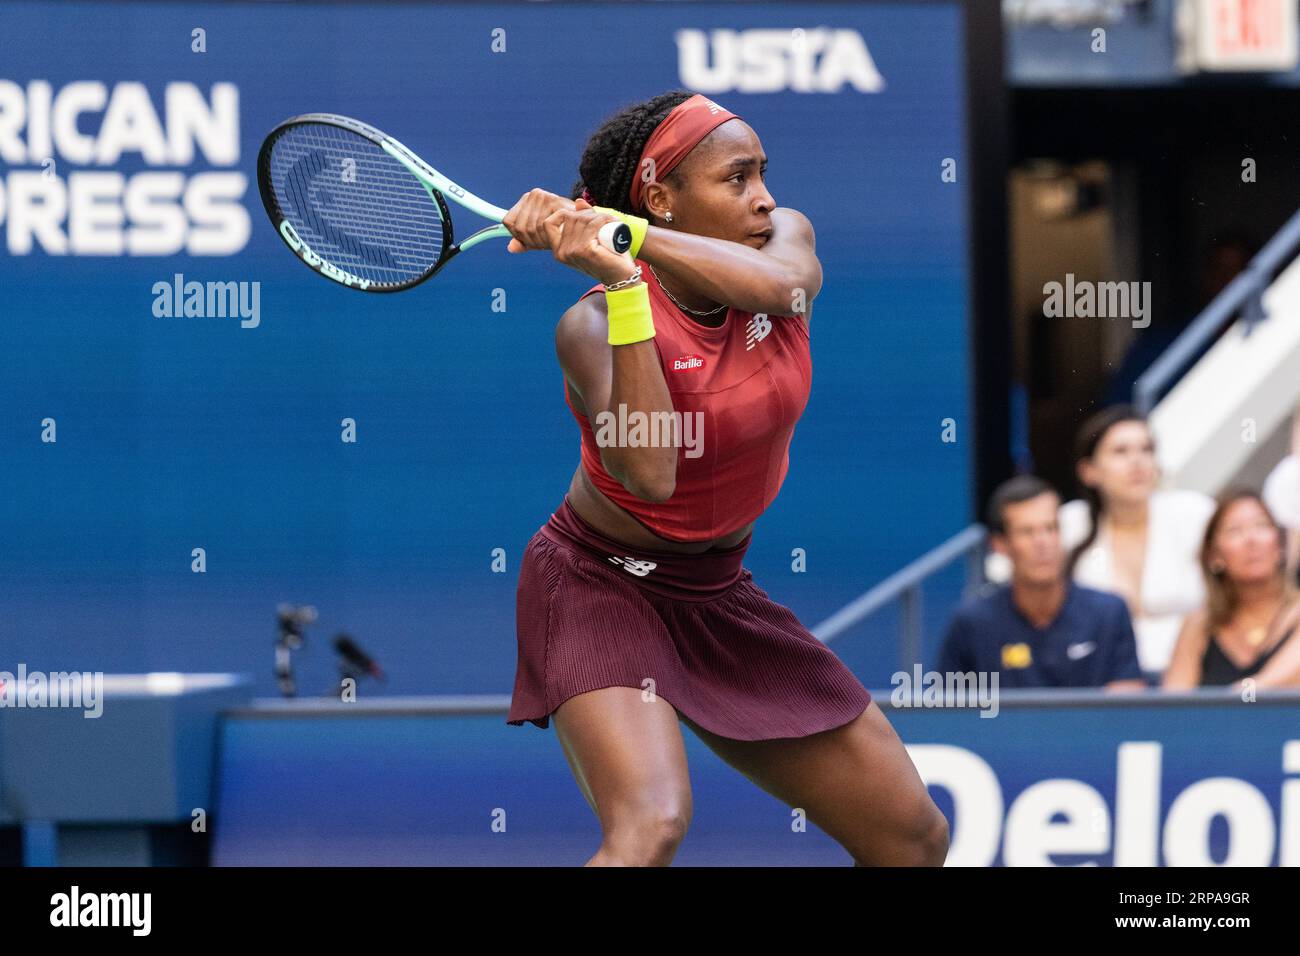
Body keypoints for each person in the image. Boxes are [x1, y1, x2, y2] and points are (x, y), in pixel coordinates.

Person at [501, 90, 947, 866]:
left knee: (911, 837)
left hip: (718, 593)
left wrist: (629, 237)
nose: (764, 197)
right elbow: (649, 474)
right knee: (651, 825)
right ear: (661, 196)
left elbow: (787, 291)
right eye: (736, 179)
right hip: (599, 585)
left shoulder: (786, 241)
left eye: (762, 173)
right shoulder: (592, 326)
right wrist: (626, 284)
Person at [938, 475, 1147, 690]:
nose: (1043, 542)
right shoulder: (972, 624)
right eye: (1027, 532)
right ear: (1000, 544)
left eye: (1051, 528)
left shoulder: (1110, 612)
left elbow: (1127, 710)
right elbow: (949, 715)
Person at [1162, 490, 1300, 689]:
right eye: (1235, 531)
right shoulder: (1198, 626)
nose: (1251, 540)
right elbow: (1171, 708)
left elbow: (1267, 687)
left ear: (1279, 545)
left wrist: (1233, 699)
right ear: (1214, 556)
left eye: (1261, 526)